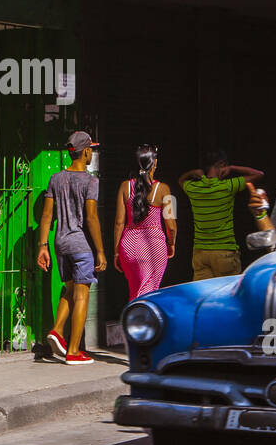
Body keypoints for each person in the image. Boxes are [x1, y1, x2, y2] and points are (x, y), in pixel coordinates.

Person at [36, 131, 106, 365]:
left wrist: (42, 246)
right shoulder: (90, 181)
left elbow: (47, 215)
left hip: (60, 244)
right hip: (81, 245)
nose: (91, 154)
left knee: (69, 291)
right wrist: (100, 250)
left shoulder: (56, 179)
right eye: (91, 150)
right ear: (85, 151)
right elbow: (92, 218)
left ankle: (56, 330)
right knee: (82, 295)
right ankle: (74, 350)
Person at [179, 151, 264, 280]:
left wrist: (192, 173)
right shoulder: (227, 186)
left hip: (200, 253)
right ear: (222, 164)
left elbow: (181, 180)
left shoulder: (193, 187)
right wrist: (232, 168)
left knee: (202, 296)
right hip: (224, 251)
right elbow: (258, 174)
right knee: (228, 296)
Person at [113, 145, 175, 302]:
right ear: (155, 163)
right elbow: (171, 225)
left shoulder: (124, 187)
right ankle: (137, 324)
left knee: (134, 294)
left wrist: (116, 252)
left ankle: (131, 324)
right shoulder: (164, 189)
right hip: (153, 246)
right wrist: (171, 243)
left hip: (128, 246)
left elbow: (119, 223)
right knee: (148, 295)